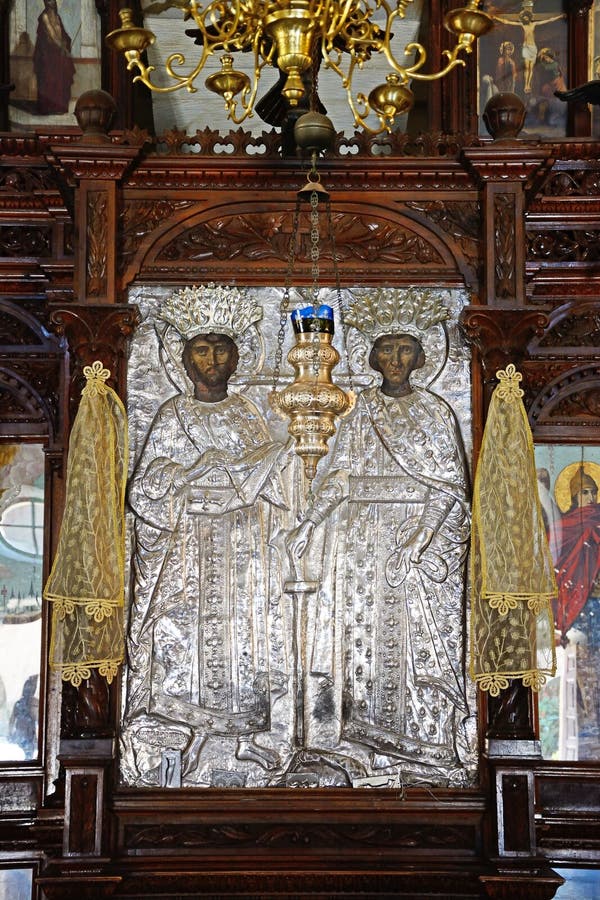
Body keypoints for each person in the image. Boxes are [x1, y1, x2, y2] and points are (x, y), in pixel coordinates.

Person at [286, 295, 472, 784]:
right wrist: (310, 521)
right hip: (362, 543)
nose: (394, 359)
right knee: (361, 640)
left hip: (413, 537)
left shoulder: (435, 412)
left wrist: (422, 536)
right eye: (385, 349)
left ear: (420, 355)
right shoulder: (361, 408)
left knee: (416, 641)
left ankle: (427, 748)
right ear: (372, 356)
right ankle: (371, 748)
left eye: (404, 349)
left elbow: (450, 487)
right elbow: (340, 475)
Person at [125, 289, 290, 782]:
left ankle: (241, 740)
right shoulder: (171, 414)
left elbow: (274, 482)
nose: (212, 359)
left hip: (242, 545)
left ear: (236, 357)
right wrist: (188, 470)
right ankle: (192, 736)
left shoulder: (245, 414)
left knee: (243, 638)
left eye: (221, 349)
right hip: (187, 546)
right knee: (190, 638)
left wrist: (254, 470)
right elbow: (144, 488)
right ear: (184, 358)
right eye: (202, 349)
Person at [494, 8, 565, 94]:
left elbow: (548, 20)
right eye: (524, 17)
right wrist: (496, 18)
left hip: (533, 48)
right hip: (526, 47)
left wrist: (559, 16)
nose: (526, 19)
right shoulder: (522, 25)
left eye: (527, 17)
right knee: (527, 68)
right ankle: (526, 85)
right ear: (523, 18)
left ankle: (529, 85)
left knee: (531, 68)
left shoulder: (534, 24)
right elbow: (508, 22)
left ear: (529, 17)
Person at [33, 0, 75, 115]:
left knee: (62, 78)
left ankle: (59, 106)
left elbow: (63, 34)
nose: (51, 2)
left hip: (59, 54)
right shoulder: (44, 16)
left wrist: (66, 42)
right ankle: (48, 107)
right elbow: (51, 35)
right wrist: (62, 47)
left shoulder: (57, 17)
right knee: (50, 79)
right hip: (48, 55)